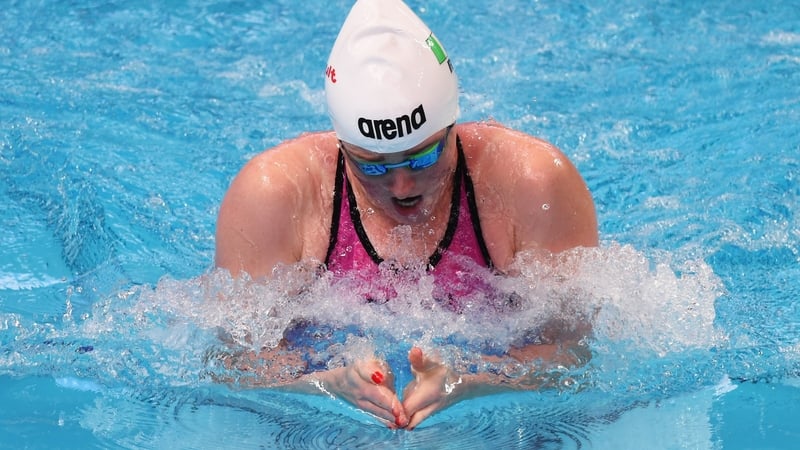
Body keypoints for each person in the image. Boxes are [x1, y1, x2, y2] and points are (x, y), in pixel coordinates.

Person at [214, 0, 598, 430]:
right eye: (372, 165)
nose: (402, 187)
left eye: (423, 155)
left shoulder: (531, 185)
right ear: (343, 147)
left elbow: (575, 356)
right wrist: (325, 384)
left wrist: (476, 382)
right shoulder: (276, 195)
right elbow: (233, 363)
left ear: (453, 123)